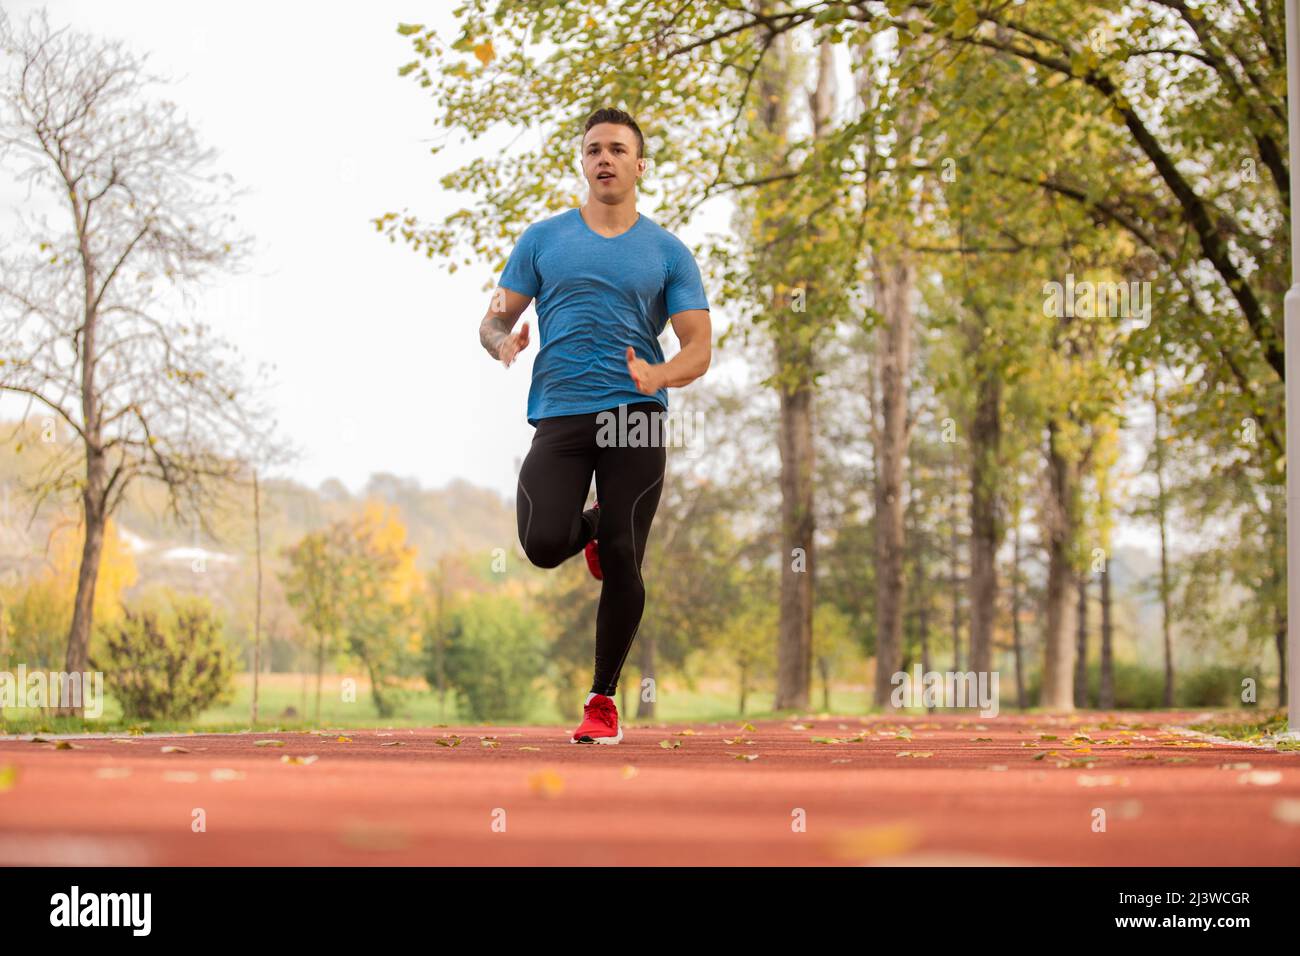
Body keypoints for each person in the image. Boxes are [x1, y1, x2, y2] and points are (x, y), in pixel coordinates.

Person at [478, 107, 711, 743]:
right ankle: (590, 530)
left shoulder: (667, 252)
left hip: (635, 415)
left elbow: (697, 348)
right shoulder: (542, 240)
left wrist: (658, 378)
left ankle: (601, 702)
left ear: (639, 165)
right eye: (593, 150)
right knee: (543, 543)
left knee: (625, 552)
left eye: (616, 149)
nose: (603, 158)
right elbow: (492, 317)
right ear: (583, 163)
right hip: (560, 411)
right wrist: (502, 342)